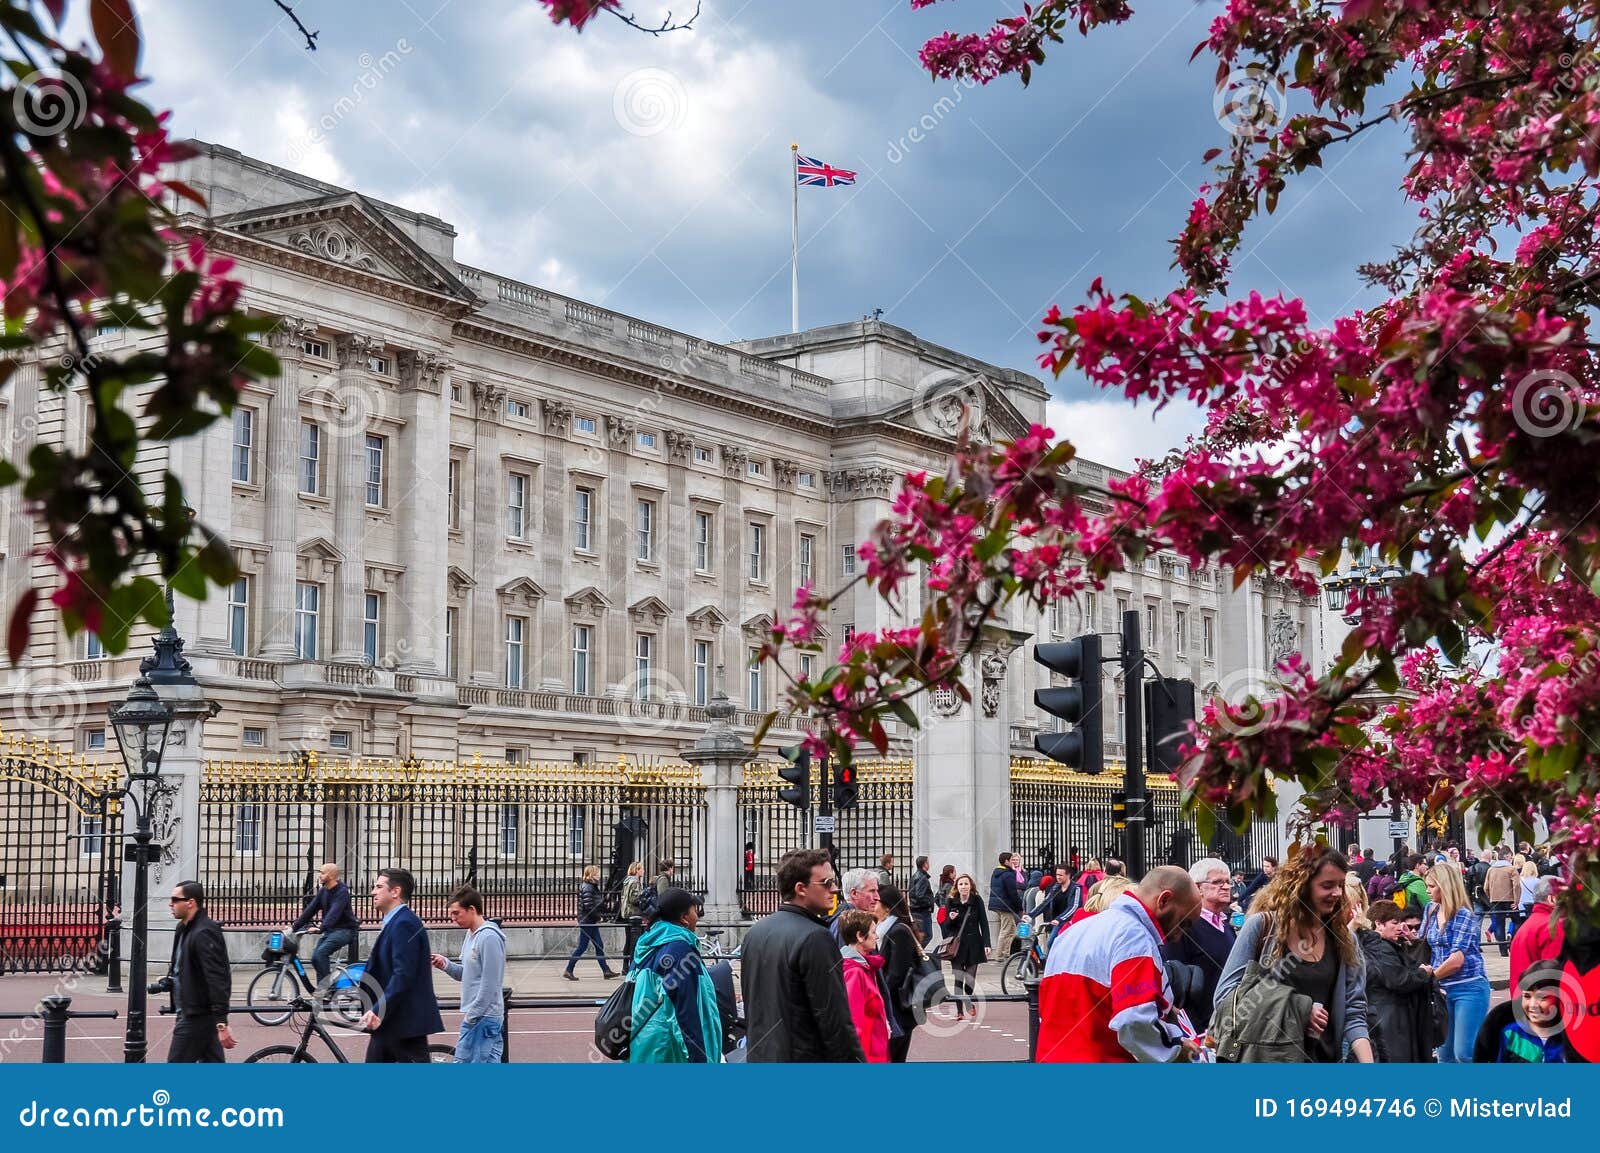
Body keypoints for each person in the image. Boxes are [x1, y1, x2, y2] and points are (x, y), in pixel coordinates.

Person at [1214, 847, 1376, 1063]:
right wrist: (1300, 1009)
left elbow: (1354, 1010)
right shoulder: (1262, 927)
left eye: (1340, 885)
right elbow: (1225, 997)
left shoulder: (1345, 939)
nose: (1337, 893)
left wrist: (1368, 1063)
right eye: (1327, 885)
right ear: (1301, 886)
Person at [1036, 866, 1203, 1063]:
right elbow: (1134, 1018)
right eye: (1183, 922)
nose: (1180, 934)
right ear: (1164, 900)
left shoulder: (1072, 931)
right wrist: (1175, 1050)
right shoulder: (1134, 937)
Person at [740, 848, 864, 1062]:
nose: (834, 889)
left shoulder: (755, 932)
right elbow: (834, 1020)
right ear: (801, 889)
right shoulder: (816, 937)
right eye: (826, 883)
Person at [628, 887, 723, 1063]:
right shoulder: (679, 950)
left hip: (645, 1046)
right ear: (684, 918)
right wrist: (699, 1059)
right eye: (694, 910)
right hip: (668, 1051)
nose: (697, 915)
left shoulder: (650, 944)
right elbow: (684, 1014)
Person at [360, 867, 444, 1062]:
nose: (373, 891)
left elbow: (403, 974)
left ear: (395, 892)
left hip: (403, 1024)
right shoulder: (396, 922)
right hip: (390, 1023)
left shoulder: (404, 924)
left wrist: (378, 1008)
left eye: (379, 886)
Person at [1421, 857, 1490, 1063]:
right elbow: (1422, 943)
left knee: (1465, 1053)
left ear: (1445, 887)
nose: (1427, 891)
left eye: (1431, 886)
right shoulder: (1431, 910)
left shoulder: (1463, 915)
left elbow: (1456, 959)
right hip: (1442, 990)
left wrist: (1430, 976)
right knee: (1444, 1054)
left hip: (1468, 987)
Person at [430, 886, 507, 1063]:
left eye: (457, 913)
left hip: (484, 1017)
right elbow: (467, 974)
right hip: (478, 1016)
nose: (453, 918)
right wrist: (446, 964)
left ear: (472, 909)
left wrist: (472, 1016)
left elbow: (491, 984)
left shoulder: (489, 938)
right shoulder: (471, 935)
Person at [164, 880, 236, 1063]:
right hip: (190, 1012)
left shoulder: (205, 932)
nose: (170, 903)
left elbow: (217, 978)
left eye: (175, 899)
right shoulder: (183, 929)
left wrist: (221, 1022)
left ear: (191, 902)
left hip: (197, 1016)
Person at [1358, 899, 1437, 1062]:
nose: (1400, 927)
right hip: (1391, 1020)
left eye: (1401, 922)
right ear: (1379, 924)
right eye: (1395, 922)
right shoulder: (1380, 948)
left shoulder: (1387, 945)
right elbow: (1400, 980)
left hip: (1391, 1017)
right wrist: (1423, 973)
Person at [1166, 857, 1236, 1033]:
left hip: (1228, 1024)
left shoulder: (1226, 925)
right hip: (1199, 1030)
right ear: (1198, 888)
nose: (1226, 887)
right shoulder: (1184, 928)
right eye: (1218, 882)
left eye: (1228, 882)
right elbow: (1175, 983)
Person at [1473, 961, 1580, 1062]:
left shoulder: (1574, 1039)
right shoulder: (1511, 1034)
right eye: (1527, 996)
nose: (1533, 1005)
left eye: (1543, 997)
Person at [289, 862, 360, 987]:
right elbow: (310, 910)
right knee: (315, 958)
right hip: (331, 931)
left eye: (322, 873)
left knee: (321, 954)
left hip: (346, 930)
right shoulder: (323, 891)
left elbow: (334, 913)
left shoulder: (342, 892)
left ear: (332, 875)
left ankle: (327, 989)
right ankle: (322, 991)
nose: (319, 876)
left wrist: (321, 928)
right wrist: (293, 928)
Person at [875, 881, 924, 1063]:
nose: (873, 904)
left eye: (877, 901)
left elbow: (896, 973)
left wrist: (879, 994)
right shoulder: (884, 928)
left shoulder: (897, 931)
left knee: (895, 1057)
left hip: (898, 1008)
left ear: (887, 907)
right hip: (894, 1007)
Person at [837, 909, 890, 1063]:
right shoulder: (855, 972)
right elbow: (853, 1022)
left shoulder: (863, 968)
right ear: (860, 936)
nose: (877, 936)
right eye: (873, 932)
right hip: (867, 1055)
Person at [942, 872, 991, 1018]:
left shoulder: (977, 900)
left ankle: (968, 1001)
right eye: (961, 884)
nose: (963, 887)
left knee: (969, 980)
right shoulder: (951, 901)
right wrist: (951, 919)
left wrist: (987, 943)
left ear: (971, 886)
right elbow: (946, 926)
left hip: (974, 944)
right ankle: (959, 1011)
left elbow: (984, 922)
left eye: (966, 884)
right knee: (958, 979)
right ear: (957, 886)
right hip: (957, 946)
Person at [1510, 877, 1566, 994]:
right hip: (1544, 1001)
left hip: (1524, 999)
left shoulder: (1529, 924)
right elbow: (1555, 973)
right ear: (1553, 899)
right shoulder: (1553, 926)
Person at [564, 864, 618, 981]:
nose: (599, 875)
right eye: (597, 873)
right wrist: (599, 917)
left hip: (589, 920)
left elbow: (596, 902)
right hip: (587, 921)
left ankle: (606, 971)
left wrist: (606, 904)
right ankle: (569, 969)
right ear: (592, 875)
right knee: (582, 947)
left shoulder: (592, 886)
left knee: (599, 945)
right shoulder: (588, 887)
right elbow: (589, 906)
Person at [1483, 847, 1520, 957]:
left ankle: (1502, 950)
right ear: (1506, 856)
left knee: (1499, 925)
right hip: (1510, 900)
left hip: (1496, 901)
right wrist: (1516, 900)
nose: (1511, 858)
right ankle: (1513, 944)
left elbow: (1485, 887)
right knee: (1517, 921)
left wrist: (1491, 897)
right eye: (1510, 856)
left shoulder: (1491, 869)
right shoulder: (1511, 869)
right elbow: (1517, 885)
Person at [988, 851, 1025, 958]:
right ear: (1006, 861)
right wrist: (1019, 907)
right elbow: (1012, 893)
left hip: (998, 904)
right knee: (1005, 930)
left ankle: (1006, 953)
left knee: (1012, 930)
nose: (1013, 862)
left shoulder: (997, 872)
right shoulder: (1008, 874)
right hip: (1005, 906)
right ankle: (999, 955)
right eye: (1011, 860)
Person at [829, 867, 882, 940]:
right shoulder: (845, 924)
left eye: (877, 891)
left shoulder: (850, 919)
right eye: (872, 891)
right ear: (854, 893)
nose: (877, 897)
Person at [619, 860, 646, 961]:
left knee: (629, 940)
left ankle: (625, 966)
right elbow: (634, 899)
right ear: (637, 870)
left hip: (627, 913)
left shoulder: (627, 881)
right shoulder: (635, 881)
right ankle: (631, 964)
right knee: (633, 941)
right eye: (642, 869)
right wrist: (643, 898)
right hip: (633, 913)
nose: (644, 871)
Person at [908, 855, 935, 943]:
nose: (929, 864)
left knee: (921, 936)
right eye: (928, 862)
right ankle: (918, 955)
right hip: (922, 911)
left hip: (917, 910)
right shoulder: (922, 878)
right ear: (925, 864)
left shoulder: (915, 876)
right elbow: (920, 895)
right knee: (927, 936)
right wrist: (930, 902)